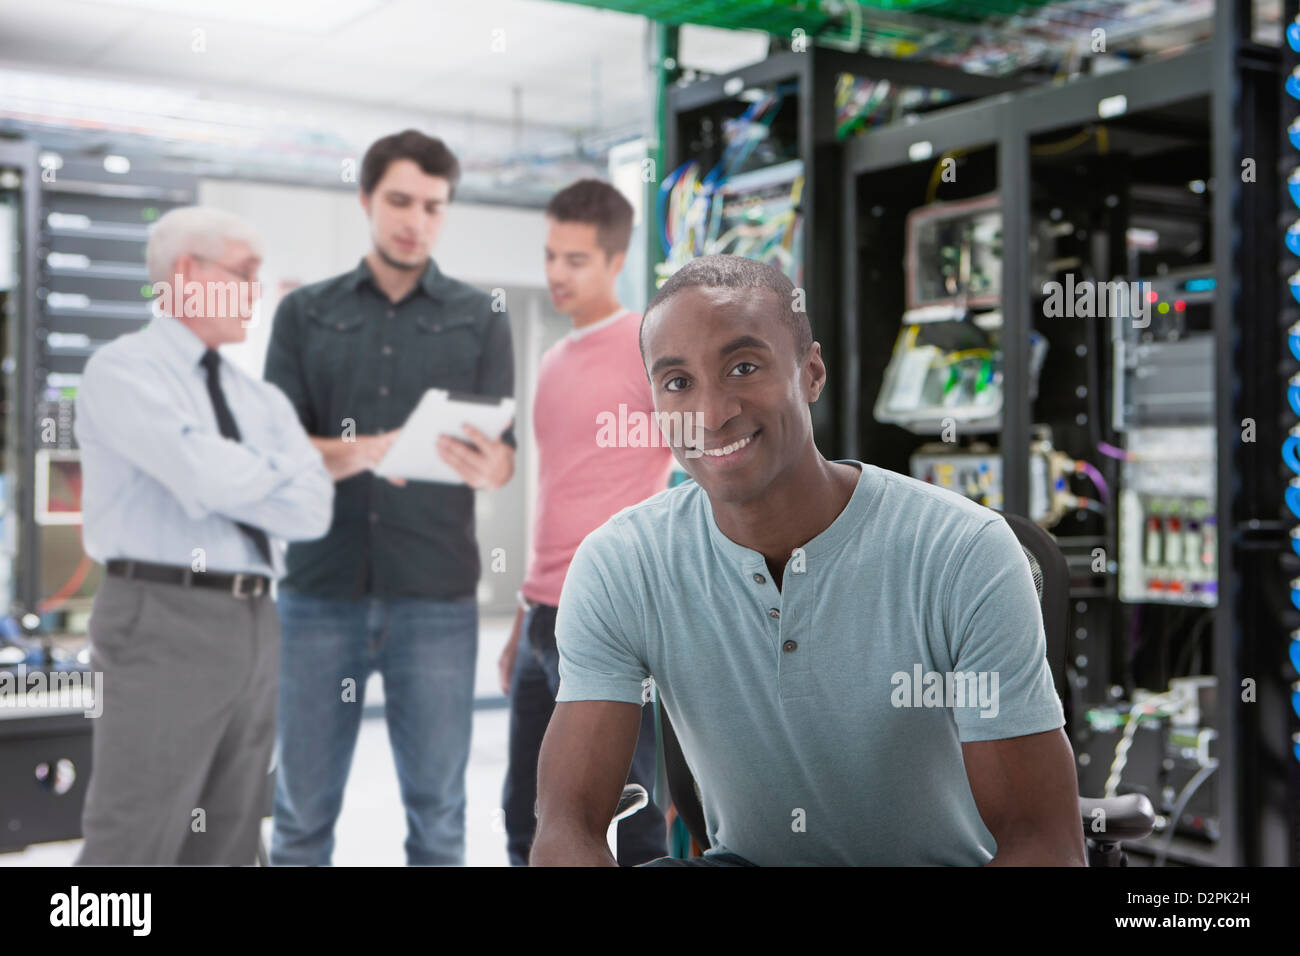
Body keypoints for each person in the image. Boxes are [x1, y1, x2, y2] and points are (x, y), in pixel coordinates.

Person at [531, 254, 1087, 866]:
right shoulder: (621, 565)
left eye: (743, 367)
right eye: (678, 382)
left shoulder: (963, 552)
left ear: (811, 373)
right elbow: (568, 825)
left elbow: (1044, 841)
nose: (712, 415)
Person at [264, 129, 516, 866]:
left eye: (434, 207)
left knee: (439, 819)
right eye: (401, 201)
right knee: (301, 819)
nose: (417, 220)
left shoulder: (480, 315)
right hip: (317, 594)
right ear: (367, 199)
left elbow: (503, 465)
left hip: (436, 599)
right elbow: (278, 451)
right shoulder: (305, 313)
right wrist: (369, 449)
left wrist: (487, 464)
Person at [74, 206, 333, 865]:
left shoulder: (257, 397)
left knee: (231, 835)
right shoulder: (123, 371)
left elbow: (313, 508)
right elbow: (204, 475)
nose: (256, 290)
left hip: (256, 619)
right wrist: (273, 470)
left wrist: (240, 471)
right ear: (187, 274)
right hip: (162, 617)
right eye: (245, 273)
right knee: (136, 834)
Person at [500, 179, 673, 866]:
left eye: (575, 259)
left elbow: (704, 463)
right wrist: (520, 616)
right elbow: (555, 494)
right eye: (550, 256)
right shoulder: (551, 360)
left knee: (628, 820)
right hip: (542, 613)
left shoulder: (647, 344)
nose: (556, 274)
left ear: (613, 259)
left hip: (611, 618)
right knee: (526, 816)